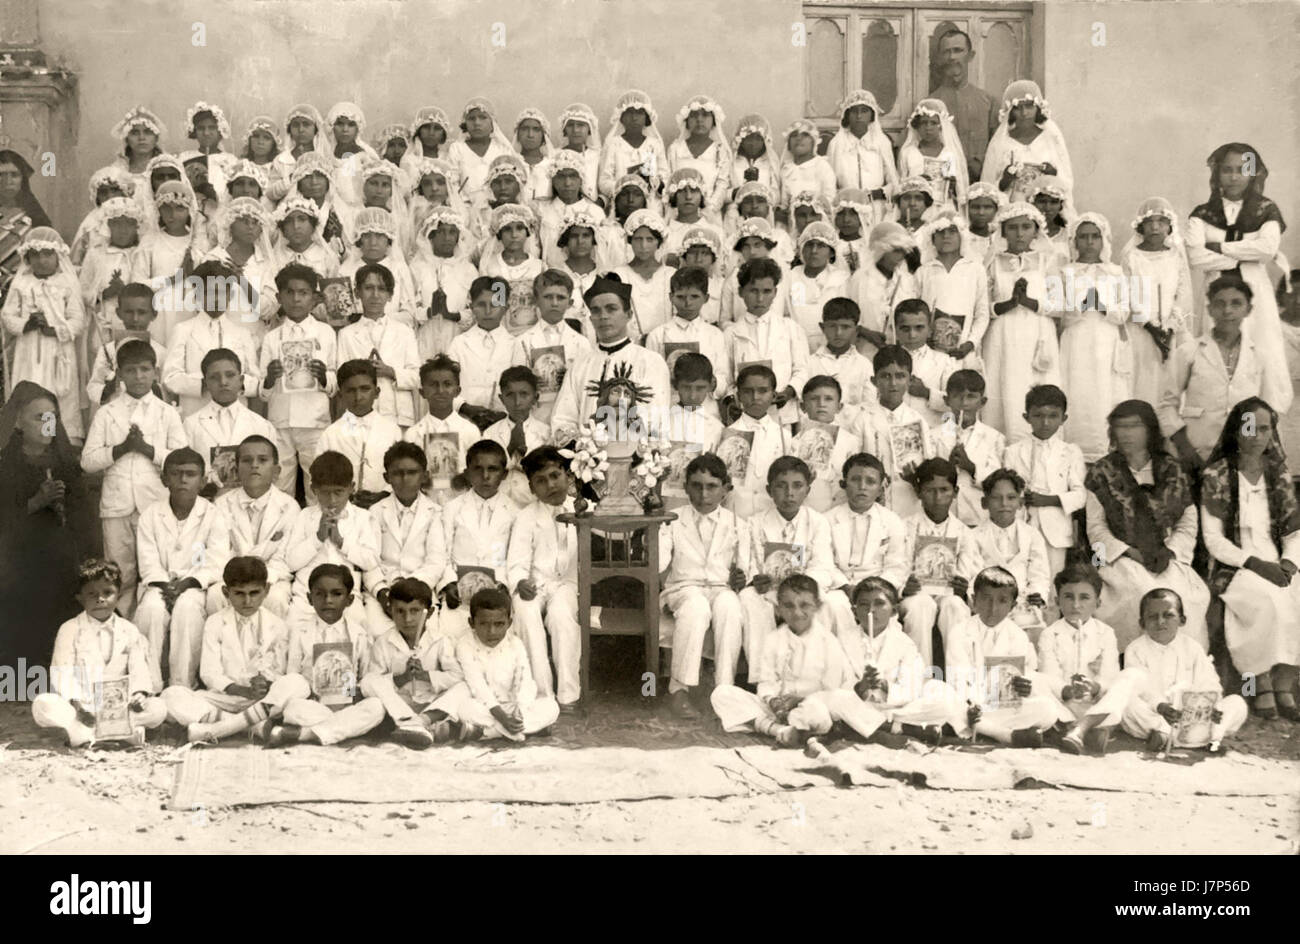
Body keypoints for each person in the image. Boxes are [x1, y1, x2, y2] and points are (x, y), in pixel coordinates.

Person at [1199, 397, 1300, 721]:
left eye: (1264, 428)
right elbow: (1213, 539)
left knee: (1295, 593)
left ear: (1273, 432)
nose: (1256, 435)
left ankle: (1285, 681)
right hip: (1236, 564)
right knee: (1266, 598)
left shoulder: (1278, 473)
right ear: (1235, 430)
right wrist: (1257, 565)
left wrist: (1289, 563)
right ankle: (1259, 680)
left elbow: (1293, 531)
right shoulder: (1217, 474)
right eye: (1249, 428)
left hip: (1278, 560)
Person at [1085, 400, 1210, 653]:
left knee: (1180, 597)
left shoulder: (1172, 469)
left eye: (1134, 426)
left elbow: (1188, 521)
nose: (1126, 433)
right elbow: (1095, 529)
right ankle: (1135, 663)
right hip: (1118, 559)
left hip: (1167, 556)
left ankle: (1184, 667)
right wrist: (1128, 552)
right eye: (1120, 426)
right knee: (1140, 594)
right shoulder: (1102, 471)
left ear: (1150, 430)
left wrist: (1172, 551)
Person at [712, 574, 885, 747]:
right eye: (788, 606)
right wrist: (772, 700)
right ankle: (780, 730)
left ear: (816, 607)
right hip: (777, 710)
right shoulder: (773, 639)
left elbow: (832, 687)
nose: (797, 613)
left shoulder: (827, 641)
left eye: (804, 606)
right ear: (778, 609)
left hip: (812, 705)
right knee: (722, 693)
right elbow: (766, 681)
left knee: (821, 709)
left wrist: (800, 699)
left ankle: (797, 729)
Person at [81, 339, 188, 613]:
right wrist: (120, 449)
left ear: (155, 371)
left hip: (154, 504)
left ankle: (155, 629)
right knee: (121, 574)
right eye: (130, 370)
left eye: (144, 369)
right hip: (117, 507)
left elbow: (182, 460)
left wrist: (147, 449)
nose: (138, 377)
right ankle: (123, 629)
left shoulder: (167, 413)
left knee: (158, 571)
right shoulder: (107, 413)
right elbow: (88, 461)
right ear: (120, 374)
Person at [1186, 143, 1291, 414]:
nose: (1234, 177)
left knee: (1260, 344)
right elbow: (1196, 258)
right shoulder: (1202, 214)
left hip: (1254, 290)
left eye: (1241, 170)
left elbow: (1266, 249)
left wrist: (1219, 247)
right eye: (1227, 170)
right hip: (1214, 291)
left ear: (1253, 174)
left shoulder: (1266, 210)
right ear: (1217, 174)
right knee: (1215, 351)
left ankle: (1262, 413)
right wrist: (1245, 251)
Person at [0, 382, 97, 667]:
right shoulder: (5, 465)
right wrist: (36, 502)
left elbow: (84, 519)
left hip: (63, 561)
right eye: (39, 418)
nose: (47, 425)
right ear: (18, 421)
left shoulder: (66, 462)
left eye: (52, 417)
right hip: (18, 562)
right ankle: (19, 684)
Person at [32, 559, 166, 748]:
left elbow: (139, 669)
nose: (100, 599)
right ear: (80, 598)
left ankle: (97, 735)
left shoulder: (129, 630)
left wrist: (139, 694)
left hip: (119, 706)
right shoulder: (69, 629)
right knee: (43, 704)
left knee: (159, 708)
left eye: (107, 593)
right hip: (83, 707)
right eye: (92, 594)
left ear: (118, 595)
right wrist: (79, 706)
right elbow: (62, 673)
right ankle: (108, 733)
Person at [737, 457, 846, 682]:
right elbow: (749, 564)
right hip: (769, 592)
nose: (789, 494)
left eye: (797, 486)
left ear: (807, 490)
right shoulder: (755, 523)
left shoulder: (817, 522)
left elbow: (823, 566)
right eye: (781, 486)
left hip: (805, 589)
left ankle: (813, 678)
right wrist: (755, 579)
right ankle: (763, 680)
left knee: (828, 602)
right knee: (750, 598)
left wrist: (798, 589)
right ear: (769, 490)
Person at [160, 556, 289, 742]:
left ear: (266, 590)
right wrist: (240, 690)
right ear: (226, 592)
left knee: (295, 689)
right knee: (171, 695)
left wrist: (267, 684)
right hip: (225, 699)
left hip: (262, 701)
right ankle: (248, 725)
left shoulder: (277, 625)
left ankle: (218, 727)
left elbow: (280, 671)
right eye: (239, 593)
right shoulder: (215, 623)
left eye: (254, 593)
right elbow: (210, 673)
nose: (247, 601)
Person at [660, 453, 750, 715]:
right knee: (697, 606)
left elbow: (745, 568)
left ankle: (725, 690)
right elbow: (658, 564)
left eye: (711, 486)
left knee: (730, 607)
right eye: (696, 486)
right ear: (686, 486)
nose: (703, 494)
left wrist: (741, 577)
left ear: (725, 489)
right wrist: (654, 532)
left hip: (720, 588)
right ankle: (679, 690)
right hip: (683, 589)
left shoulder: (738, 525)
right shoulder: (671, 520)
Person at [134, 447, 231, 690]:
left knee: (188, 609)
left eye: (191, 474)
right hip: (158, 585)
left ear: (202, 480)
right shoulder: (150, 515)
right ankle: (148, 685)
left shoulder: (212, 514)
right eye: (176, 474)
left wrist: (188, 583)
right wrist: (163, 584)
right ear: (164, 479)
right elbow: (148, 561)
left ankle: (183, 684)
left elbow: (216, 561)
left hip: (195, 586)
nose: (183, 480)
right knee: (151, 610)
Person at [944, 566, 1073, 745]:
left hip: (998, 708)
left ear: (1012, 606)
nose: (993, 608)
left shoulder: (1018, 635)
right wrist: (973, 703)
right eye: (986, 599)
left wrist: (1024, 689)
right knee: (943, 694)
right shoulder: (959, 632)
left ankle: (982, 729)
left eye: (1002, 601)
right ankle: (1005, 735)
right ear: (973, 600)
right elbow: (958, 678)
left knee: (1047, 709)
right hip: (969, 703)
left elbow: (1016, 680)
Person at [264, 563, 386, 746]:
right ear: (309, 598)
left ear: (349, 600)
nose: (328, 600)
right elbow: (293, 675)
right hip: (312, 705)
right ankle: (340, 730)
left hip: (347, 705)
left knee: (376, 706)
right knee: (292, 708)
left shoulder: (359, 634)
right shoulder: (299, 632)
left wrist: (354, 693)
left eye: (336, 594)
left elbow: (366, 676)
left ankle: (305, 734)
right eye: (320, 594)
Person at [1159, 275, 1274, 467]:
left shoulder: (1258, 356)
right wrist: (1184, 448)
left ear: (1248, 309)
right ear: (1210, 309)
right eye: (1220, 304)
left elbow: (1266, 409)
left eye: (1236, 304)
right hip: (1197, 453)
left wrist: (1255, 452)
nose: (1227, 310)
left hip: (1243, 454)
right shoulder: (1189, 352)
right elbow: (1166, 405)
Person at [1122, 589, 1246, 755]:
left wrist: (1212, 706)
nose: (1160, 621)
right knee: (1126, 702)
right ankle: (1164, 733)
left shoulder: (1193, 647)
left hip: (1195, 719)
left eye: (1168, 615)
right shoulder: (1135, 649)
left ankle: (1212, 736)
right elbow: (1141, 688)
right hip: (1158, 715)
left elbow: (1208, 681)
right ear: (1142, 623)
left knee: (1237, 703)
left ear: (1182, 620)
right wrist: (1161, 706)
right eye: (1152, 616)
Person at [1037, 562, 1143, 755]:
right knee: (1033, 678)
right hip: (1063, 707)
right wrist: (1067, 690)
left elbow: (1109, 676)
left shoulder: (1106, 633)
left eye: (1084, 597)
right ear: (1057, 600)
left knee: (1132, 675)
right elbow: (1048, 675)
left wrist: (1095, 687)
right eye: (1068, 597)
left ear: (1098, 603)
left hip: (1098, 708)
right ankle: (1081, 730)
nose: (1076, 605)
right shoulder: (1049, 634)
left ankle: (1081, 729)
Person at [550, 274, 671, 440]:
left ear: (628, 315)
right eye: (596, 311)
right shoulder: (580, 364)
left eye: (611, 308)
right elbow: (563, 418)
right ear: (590, 318)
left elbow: (656, 420)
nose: (603, 316)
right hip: (586, 459)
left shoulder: (650, 361)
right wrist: (584, 445)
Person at [436, 586, 560, 741]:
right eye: (484, 624)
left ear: (509, 623)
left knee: (551, 706)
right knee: (464, 709)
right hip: (486, 707)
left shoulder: (515, 644)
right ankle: (524, 731)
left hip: (515, 708)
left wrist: (518, 711)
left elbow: (525, 681)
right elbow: (477, 685)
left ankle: (486, 733)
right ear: (472, 623)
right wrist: (501, 716)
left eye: (499, 624)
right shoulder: (465, 645)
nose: (492, 631)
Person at [507, 446, 580, 710]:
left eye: (554, 476)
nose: (550, 485)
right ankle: (542, 694)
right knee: (525, 611)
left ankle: (568, 694)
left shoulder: (583, 510)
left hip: (568, 585)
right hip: (536, 584)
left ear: (567, 476)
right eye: (541, 481)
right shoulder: (526, 517)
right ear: (532, 487)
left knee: (561, 615)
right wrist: (519, 583)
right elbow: (516, 563)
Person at [1057, 213, 1132, 461]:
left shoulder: (1116, 272)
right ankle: (1077, 449)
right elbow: (1061, 316)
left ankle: (1104, 448)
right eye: (1083, 237)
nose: (1089, 242)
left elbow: (1123, 313)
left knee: (1104, 390)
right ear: (1074, 241)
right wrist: (1080, 306)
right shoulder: (1066, 272)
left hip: (1105, 338)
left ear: (1104, 240)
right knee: (1078, 388)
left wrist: (1101, 306)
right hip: (1076, 339)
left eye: (1095, 236)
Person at [981, 202, 1059, 440]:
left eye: (1026, 227)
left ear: (1036, 231)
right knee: (1005, 386)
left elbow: (1059, 305)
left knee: (1035, 384)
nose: (1019, 233)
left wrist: (1028, 302)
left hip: (1037, 332)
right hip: (1003, 334)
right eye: (1013, 228)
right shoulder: (992, 263)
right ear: (1003, 232)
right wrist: (1009, 303)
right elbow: (983, 305)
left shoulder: (1047, 261)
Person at [259, 262, 336, 499]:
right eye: (289, 292)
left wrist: (323, 375)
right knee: (280, 487)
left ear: (314, 298)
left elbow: (334, 382)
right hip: (280, 421)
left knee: (317, 484)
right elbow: (262, 392)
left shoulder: (325, 333)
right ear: (279, 297)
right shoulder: (272, 338)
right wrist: (270, 379)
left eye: (303, 293)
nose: (296, 299)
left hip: (315, 420)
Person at [362, 576, 462, 748]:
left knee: (464, 687)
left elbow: (457, 676)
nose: (407, 619)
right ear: (390, 611)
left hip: (432, 705)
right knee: (367, 682)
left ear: (429, 613)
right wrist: (401, 678)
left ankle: (421, 722)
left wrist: (426, 676)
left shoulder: (441, 641)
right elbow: (371, 684)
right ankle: (410, 721)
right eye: (400, 611)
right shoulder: (382, 643)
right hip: (398, 706)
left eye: (414, 611)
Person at [282, 451, 382, 623]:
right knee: (294, 627)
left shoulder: (363, 517)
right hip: (307, 596)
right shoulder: (305, 516)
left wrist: (341, 542)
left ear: (351, 487)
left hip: (346, 597)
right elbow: (291, 562)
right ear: (314, 490)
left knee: (358, 626)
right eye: (325, 493)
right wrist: (318, 538)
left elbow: (371, 560)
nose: (332, 500)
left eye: (339, 492)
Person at [898, 457, 977, 667]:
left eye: (944, 490)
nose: (937, 497)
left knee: (955, 607)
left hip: (947, 594)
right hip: (915, 595)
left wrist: (963, 587)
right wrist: (905, 586)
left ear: (955, 492)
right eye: (930, 490)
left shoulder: (963, 532)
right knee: (921, 606)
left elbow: (967, 570)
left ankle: (958, 680)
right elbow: (899, 565)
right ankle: (920, 679)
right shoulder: (905, 527)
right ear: (919, 492)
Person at [1002, 384, 1086, 579]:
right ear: (1026, 417)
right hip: (1020, 525)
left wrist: (1048, 500)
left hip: (1055, 534)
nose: (1046, 422)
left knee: (1051, 582)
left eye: (1053, 416)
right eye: (1038, 416)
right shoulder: (1013, 452)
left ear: (1063, 419)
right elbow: (1007, 490)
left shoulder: (1070, 452)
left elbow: (1080, 496)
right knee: (1020, 578)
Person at [821, 453, 909, 637]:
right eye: (855, 480)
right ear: (844, 484)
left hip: (878, 587)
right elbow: (825, 563)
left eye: (870, 482)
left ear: (880, 488)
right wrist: (846, 587)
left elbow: (896, 566)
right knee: (832, 605)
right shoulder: (827, 520)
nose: (862, 487)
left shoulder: (892, 521)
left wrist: (876, 589)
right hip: (842, 588)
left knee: (882, 616)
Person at [438, 439, 517, 638]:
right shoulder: (452, 509)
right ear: (467, 473)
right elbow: (443, 553)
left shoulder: (514, 513)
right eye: (478, 469)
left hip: (497, 592)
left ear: (504, 474)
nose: (485, 476)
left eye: (493, 469)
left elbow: (514, 558)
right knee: (450, 634)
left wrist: (502, 584)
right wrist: (449, 583)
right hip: (459, 592)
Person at [1119, 197, 1195, 405]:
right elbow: (1127, 296)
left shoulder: (1176, 257)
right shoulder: (1131, 257)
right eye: (1149, 222)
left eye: (1161, 222)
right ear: (1140, 226)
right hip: (1140, 330)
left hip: (1170, 329)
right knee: (1141, 382)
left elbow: (1182, 294)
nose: (1155, 227)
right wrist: (1151, 328)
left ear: (1169, 226)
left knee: (1168, 384)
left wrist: (1169, 327)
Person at [161, 260, 261, 418]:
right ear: (197, 295)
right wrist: (204, 384)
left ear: (231, 294)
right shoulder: (183, 330)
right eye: (208, 292)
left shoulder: (242, 334)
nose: (216, 298)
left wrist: (233, 383)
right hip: (196, 414)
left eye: (221, 292)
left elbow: (256, 381)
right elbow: (170, 378)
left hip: (236, 417)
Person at [366, 442, 447, 634]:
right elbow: (369, 560)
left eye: (412, 472)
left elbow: (436, 561)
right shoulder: (375, 512)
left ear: (424, 476)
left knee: (429, 633)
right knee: (375, 631)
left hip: (420, 590)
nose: (405, 479)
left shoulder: (435, 512)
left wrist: (412, 587)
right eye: (397, 473)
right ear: (387, 477)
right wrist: (380, 591)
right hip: (384, 590)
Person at [214, 435, 297, 617]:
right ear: (236, 470)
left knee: (275, 598)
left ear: (276, 471)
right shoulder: (221, 505)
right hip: (232, 577)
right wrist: (238, 578)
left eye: (263, 460)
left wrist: (261, 579)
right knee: (215, 595)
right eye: (247, 460)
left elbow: (284, 557)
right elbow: (219, 551)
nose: (254, 465)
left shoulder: (290, 507)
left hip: (271, 578)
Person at [721, 258, 808, 429]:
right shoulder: (731, 333)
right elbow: (726, 376)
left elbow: (802, 368)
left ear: (775, 292)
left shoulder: (790, 328)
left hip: (783, 414)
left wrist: (789, 391)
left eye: (766, 291)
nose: (760, 298)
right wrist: (734, 398)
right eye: (753, 291)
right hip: (745, 412)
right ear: (740, 292)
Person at [183, 349, 280, 498]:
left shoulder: (261, 425)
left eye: (230, 375)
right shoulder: (191, 425)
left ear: (241, 381)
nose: (223, 382)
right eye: (214, 377)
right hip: (209, 506)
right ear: (205, 383)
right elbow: (187, 471)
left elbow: (272, 475)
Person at [853, 345, 936, 517]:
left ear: (910, 380)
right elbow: (853, 462)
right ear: (874, 380)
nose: (893, 383)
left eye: (900, 376)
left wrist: (915, 477)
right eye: (885, 376)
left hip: (907, 503)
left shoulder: (918, 421)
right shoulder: (863, 419)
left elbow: (928, 467)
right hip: (871, 503)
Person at [337, 263, 421, 429]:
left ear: (390, 295)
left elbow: (418, 377)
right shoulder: (346, 334)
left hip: (398, 414)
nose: (375, 295)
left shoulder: (404, 332)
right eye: (368, 288)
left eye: (381, 289)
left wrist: (390, 372)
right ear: (357, 293)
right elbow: (342, 377)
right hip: (358, 412)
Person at [970, 468, 1051, 635]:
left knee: (1035, 635)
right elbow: (972, 575)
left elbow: (1040, 574)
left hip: (1023, 605)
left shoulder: (1032, 535)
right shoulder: (974, 536)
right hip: (989, 605)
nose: (1004, 504)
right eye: (996, 498)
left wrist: (1037, 594)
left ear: (1020, 503)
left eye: (1011, 498)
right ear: (984, 503)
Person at [644, 265, 728, 418]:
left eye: (694, 296)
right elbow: (651, 381)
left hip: (707, 413)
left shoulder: (715, 335)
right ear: (671, 297)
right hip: (670, 412)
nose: (688, 303)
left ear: (706, 298)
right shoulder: (658, 335)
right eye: (681, 297)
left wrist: (711, 382)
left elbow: (724, 379)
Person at [318, 360, 402, 504]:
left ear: (376, 392)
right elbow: (320, 477)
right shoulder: (330, 434)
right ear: (341, 394)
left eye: (365, 389)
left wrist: (383, 494)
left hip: (384, 507)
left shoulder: (392, 431)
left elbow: (401, 472)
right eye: (350, 391)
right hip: (343, 509)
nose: (358, 397)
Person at [402, 355, 483, 502]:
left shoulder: (470, 431)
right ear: (422, 392)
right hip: (425, 504)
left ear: (457, 391)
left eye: (447, 384)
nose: (440, 390)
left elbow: (478, 471)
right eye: (433, 384)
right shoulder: (413, 434)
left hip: (463, 503)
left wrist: (463, 478)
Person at [915, 210, 989, 370]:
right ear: (932, 239)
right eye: (940, 232)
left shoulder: (976, 269)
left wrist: (970, 343)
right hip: (930, 349)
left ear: (962, 236)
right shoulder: (924, 271)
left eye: (952, 231)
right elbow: (916, 310)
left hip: (963, 350)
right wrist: (924, 336)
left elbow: (982, 313)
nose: (946, 236)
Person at [980, 80, 1073, 208]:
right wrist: (1005, 180)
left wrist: (1053, 174)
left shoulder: (1051, 138)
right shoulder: (1001, 142)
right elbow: (988, 186)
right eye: (1018, 108)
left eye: (1029, 106)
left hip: (1046, 209)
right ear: (1010, 111)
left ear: (1038, 107)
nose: (1024, 113)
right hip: (1012, 212)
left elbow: (1066, 181)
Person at [929, 369, 1004, 527]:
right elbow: (928, 477)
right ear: (947, 400)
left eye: (971, 396)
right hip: (943, 517)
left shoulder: (994, 438)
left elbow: (997, 482)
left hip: (979, 517)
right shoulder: (933, 436)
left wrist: (970, 467)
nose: (964, 403)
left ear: (982, 402)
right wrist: (947, 467)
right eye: (957, 396)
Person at [720, 364, 789, 518]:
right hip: (735, 515)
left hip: (772, 516)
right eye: (747, 391)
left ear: (774, 396)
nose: (755, 397)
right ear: (738, 396)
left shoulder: (784, 436)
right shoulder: (726, 434)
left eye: (763, 391)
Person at [930, 29, 999, 183]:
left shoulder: (988, 102)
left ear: (970, 55)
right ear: (940, 58)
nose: (952, 57)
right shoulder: (931, 104)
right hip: (946, 182)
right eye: (946, 52)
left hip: (983, 184)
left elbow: (999, 146)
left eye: (958, 50)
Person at [447, 274, 517, 424]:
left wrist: (504, 415)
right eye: (481, 304)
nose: (487, 311)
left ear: (505, 308)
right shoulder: (459, 344)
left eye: (494, 305)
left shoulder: (515, 345)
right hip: (465, 420)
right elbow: (447, 385)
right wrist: (465, 407)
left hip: (504, 422)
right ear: (472, 307)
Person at [410, 205, 477, 360]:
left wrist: (452, 315)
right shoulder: (417, 267)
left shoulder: (468, 270)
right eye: (441, 232)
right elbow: (409, 307)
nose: (447, 238)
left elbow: (474, 308)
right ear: (430, 235)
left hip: (457, 336)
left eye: (452, 232)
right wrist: (429, 312)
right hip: (425, 336)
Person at [659, 353, 724, 511]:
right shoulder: (661, 423)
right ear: (675, 384)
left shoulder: (717, 428)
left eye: (700, 388)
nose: (693, 395)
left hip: (703, 506)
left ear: (710, 385)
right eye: (686, 387)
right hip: (667, 506)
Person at [848, 221, 918, 362]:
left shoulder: (907, 280)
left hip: (900, 353)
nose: (901, 256)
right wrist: (867, 333)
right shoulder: (860, 278)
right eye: (896, 250)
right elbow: (848, 315)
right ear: (882, 250)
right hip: (866, 352)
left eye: (903, 251)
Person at [825, 90, 899, 220]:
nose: (859, 116)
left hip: (876, 207)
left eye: (864, 111)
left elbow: (892, 180)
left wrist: (879, 193)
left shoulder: (881, 142)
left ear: (872, 115)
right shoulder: (836, 144)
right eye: (854, 111)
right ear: (847, 115)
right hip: (846, 208)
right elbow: (829, 182)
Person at [485, 366, 550, 508]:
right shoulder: (490, 434)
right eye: (510, 395)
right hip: (499, 507)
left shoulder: (546, 434)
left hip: (535, 506)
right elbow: (486, 472)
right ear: (501, 399)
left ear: (535, 397)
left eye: (524, 394)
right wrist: (510, 448)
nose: (517, 402)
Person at [796, 375, 861, 512]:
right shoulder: (794, 442)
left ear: (839, 407)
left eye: (828, 399)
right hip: (808, 510)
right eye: (814, 399)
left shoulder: (851, 442)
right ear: (803, 406)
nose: (821, 404)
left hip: (841, 510)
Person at [807, 297, 876, 427]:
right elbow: (803, 405)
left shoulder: (864, 366)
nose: (838, 333)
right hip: (817, 431)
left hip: (853, 432)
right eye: (832, 326)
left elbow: (870, 407)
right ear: (822, 327)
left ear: (856, 330)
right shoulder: (810, 363)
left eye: (845, 327)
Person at [787, 222, 850, 351]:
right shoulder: (792, 277)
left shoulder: (840, 279)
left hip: (832, 346)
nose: (814, 251)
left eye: (821, 246)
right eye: (809, 245)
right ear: (802, 249)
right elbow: (791, 312)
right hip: (796, 345)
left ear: (831, 252)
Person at [898, 99, 968, 213]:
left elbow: (960, 190)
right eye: (924, 123)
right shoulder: (908, 153)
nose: (928, 128)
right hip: (915, 208)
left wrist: (951, 184)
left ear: (941, 126)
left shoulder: (949, 154)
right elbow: (900, 185)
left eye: (933, 123)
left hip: (943, 207)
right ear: (917, 126)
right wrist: (917, 182)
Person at [598, 90, 669, 202]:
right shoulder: (613, 144)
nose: (634, 118)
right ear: (621, 117)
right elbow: (604, 181)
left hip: (651, 204)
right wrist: (624, 188)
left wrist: (656, 183)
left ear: (647, 118)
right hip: (622, 203)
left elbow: (665, 176)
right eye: (629, 112)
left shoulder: (655, 144)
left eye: (639, 113)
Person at [779, 122, 836, 211]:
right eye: (794, 135)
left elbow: (829, 200)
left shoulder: (822, 166)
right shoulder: (786, 169)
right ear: (788, 144)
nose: (798, 138)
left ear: (813, 142)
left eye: (805, 135)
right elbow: (783, 202)